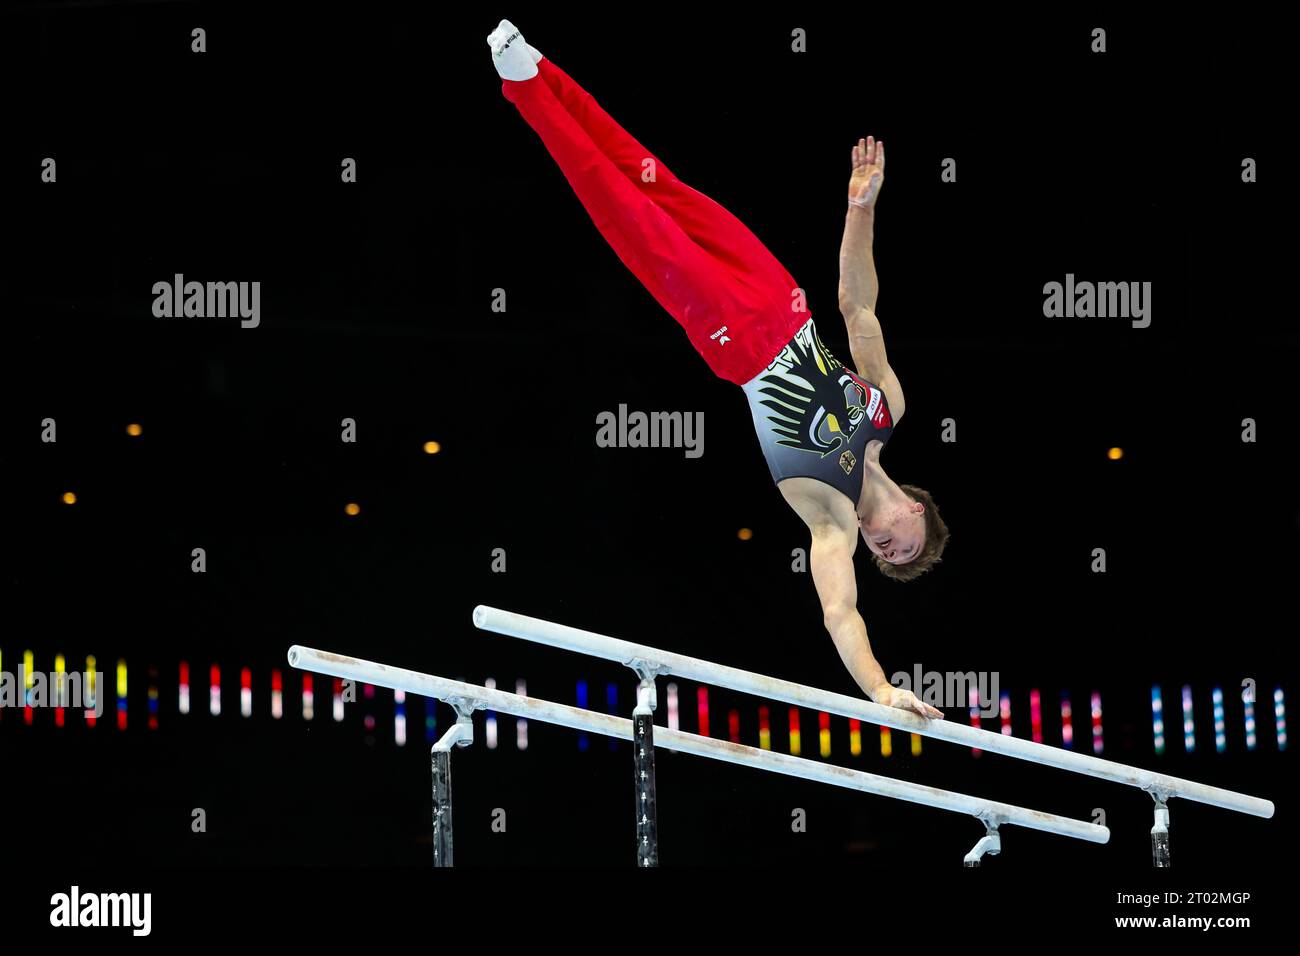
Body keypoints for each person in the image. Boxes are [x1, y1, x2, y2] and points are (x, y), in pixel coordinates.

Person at [488, 20, 948, 718]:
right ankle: (546, 71)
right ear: (917, 506)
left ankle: (523, 90)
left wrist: (881, 686)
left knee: (628, 216)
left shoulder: (831, 521)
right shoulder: (887, 405)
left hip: (737, 344)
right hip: (778, 295)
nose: (887, 548)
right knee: (658, 183)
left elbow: (840, 614)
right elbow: (858, 306)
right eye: (903, 544)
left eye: (888, 556)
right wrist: (861, 208)